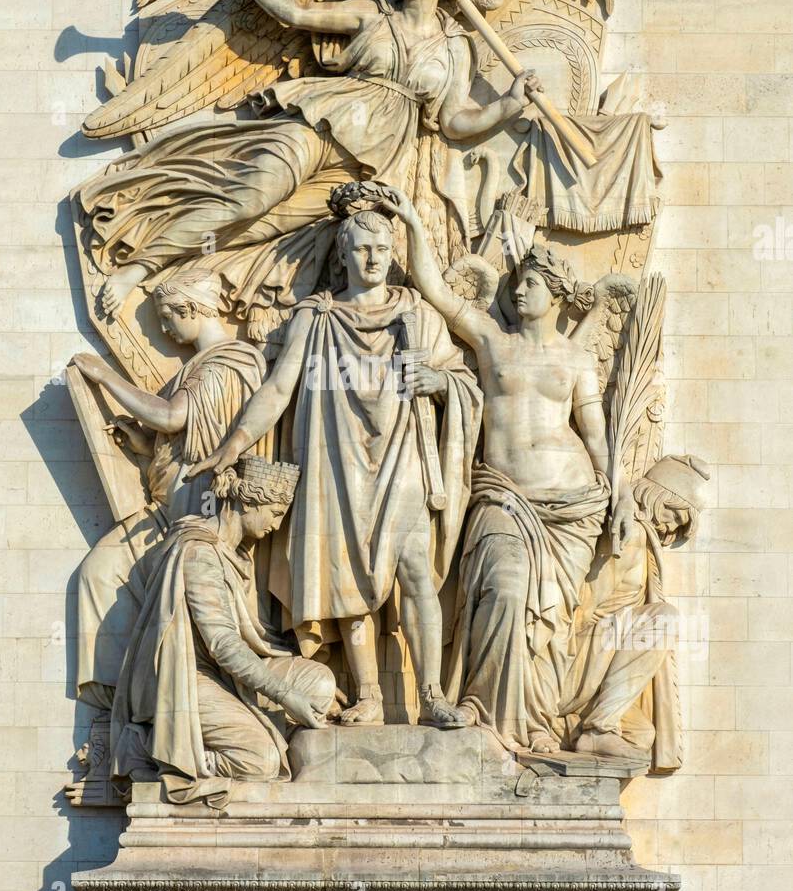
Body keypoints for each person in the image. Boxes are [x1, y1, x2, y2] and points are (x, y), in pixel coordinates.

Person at [77, 0, 541, 316]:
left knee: (267, 222)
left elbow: (454, 121)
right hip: (323, 120)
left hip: (370, 163)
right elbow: (296, 14)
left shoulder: (455, 47)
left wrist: (509, 105)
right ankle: (140, 265)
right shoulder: (371, 13)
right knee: (251, 197)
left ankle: (179, 263)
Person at [187, 201, 483, 728]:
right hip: (338, 459)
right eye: (363, 249)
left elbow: (463, 379)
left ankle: (432, 694)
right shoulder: (317, 315)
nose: (373, 259)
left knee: (415, 569)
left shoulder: (418, 314)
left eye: (383, 250)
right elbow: (279, 387)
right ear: (344, 254)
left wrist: (439, 384)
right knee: (346, 578)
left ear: (395, 255)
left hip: (404, 454)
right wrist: (235, 442)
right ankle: (368, 693)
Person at [380, 183, 635, 753]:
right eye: (518, 283)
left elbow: (594, 434)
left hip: (569, 504)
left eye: (532, 284)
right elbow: (438, 292)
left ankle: (535, 723)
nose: (519, 291)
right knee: (503, 588)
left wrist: (620, 495)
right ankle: (485, 708)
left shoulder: (575, 357)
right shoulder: (492, 340)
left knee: (542, 626)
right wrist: (414, 227)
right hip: (501, 497)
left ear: (558, 296)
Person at [71, 269, 265, 710]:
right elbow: (182, 435)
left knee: (108, 576)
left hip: (196, 515)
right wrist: (145, 448)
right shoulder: (201, 366)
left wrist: (105, 377)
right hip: (169, 507)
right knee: (99, 572)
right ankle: (123, 701)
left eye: (167, 317)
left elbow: (175, 417)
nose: (163, 329)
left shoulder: (226, 362)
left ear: (192, 309)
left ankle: (140, 702)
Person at [111, 457, 336, 808]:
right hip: (187, 678)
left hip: (228, 676)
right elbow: (224, 645)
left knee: (321, 683)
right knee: (260, 761)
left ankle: (258, 723)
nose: (277, 525)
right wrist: (286, 696)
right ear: (248, 502)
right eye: (275, 513)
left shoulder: (234, 555)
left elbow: (251, 640)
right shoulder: (199, 553)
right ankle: (157, 751)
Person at [561, 454, 709, 769]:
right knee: (663, 618)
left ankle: (586, 728)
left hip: (595, 659)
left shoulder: (639, 536)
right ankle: (599, 727)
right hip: (569, 662)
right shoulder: (631, 537)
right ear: (657, 497)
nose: (672, 526)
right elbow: (579, 610)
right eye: (674, 515)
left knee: (642, 735)